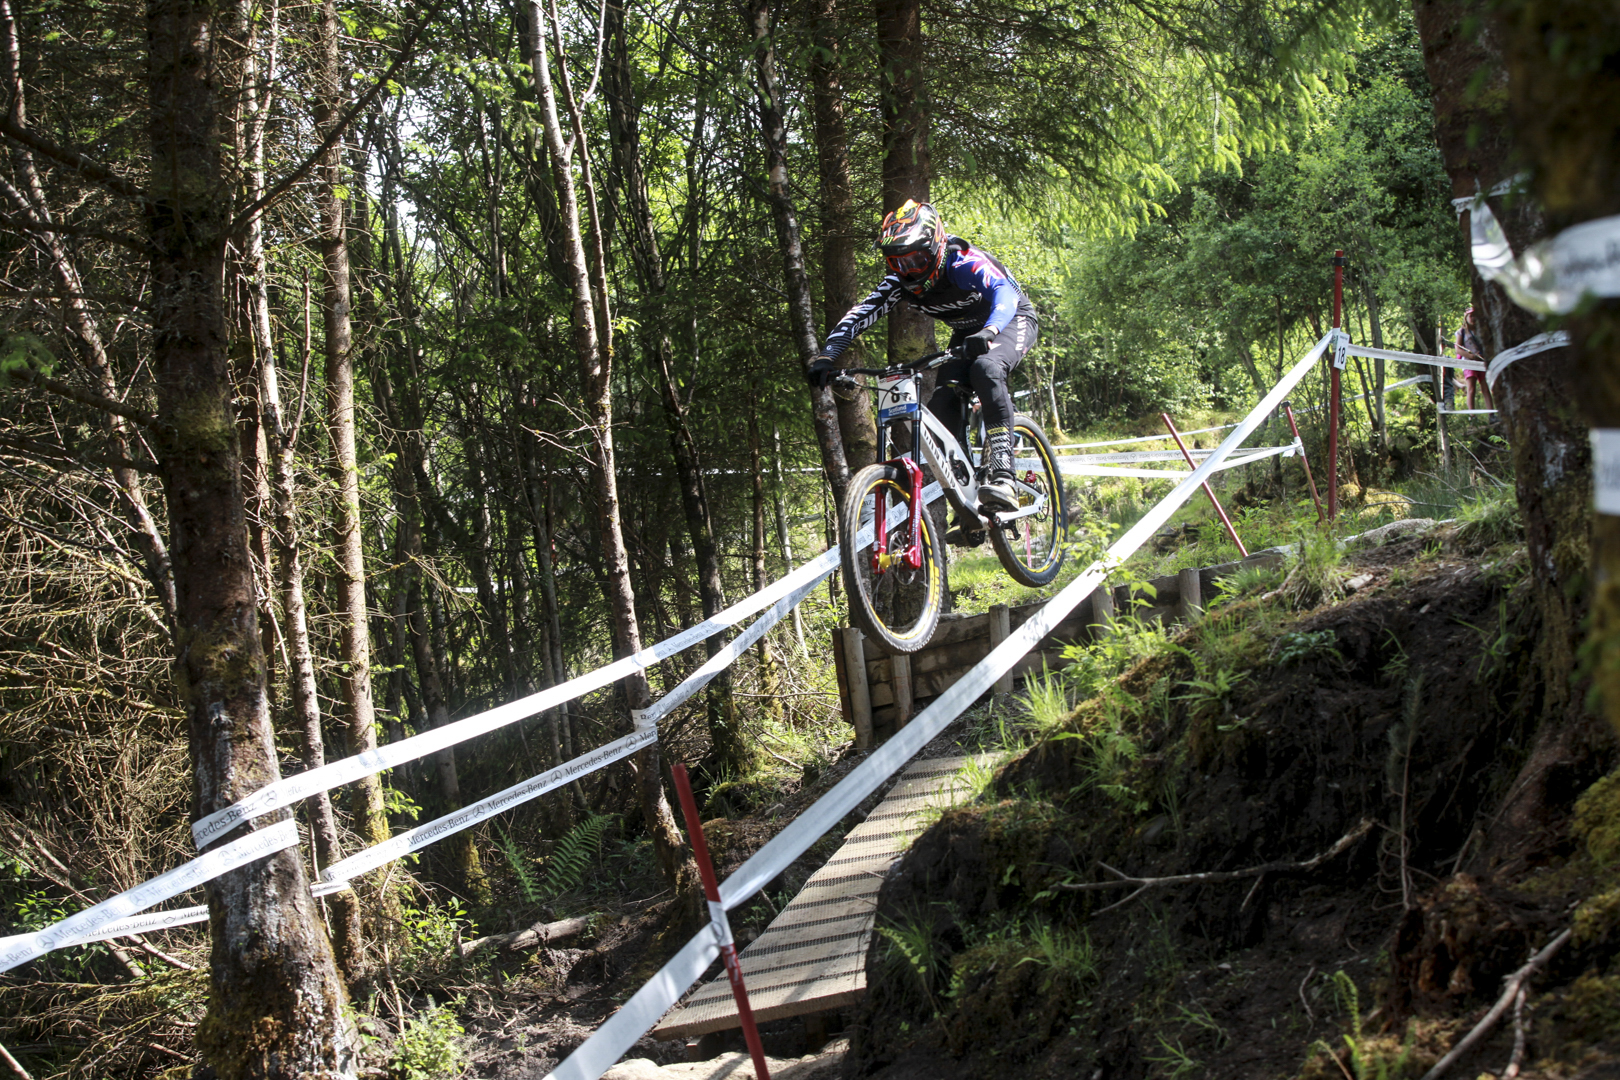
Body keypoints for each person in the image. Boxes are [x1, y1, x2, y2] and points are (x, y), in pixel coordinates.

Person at [805, 200, 1040, 545]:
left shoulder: (962, 262)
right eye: (897, 261)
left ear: (936, 247)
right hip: (968, 333)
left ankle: (1003, 472)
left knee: (987, 368)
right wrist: (827, 356)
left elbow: (1002, 293)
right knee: (942, 406)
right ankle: (972, 501)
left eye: (915, 259)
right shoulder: (899, 282)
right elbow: (859, 314)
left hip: (1010, 318)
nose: (908, 270)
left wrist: (989, 332)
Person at [1453, 305, 1493, 411]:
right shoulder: (1461, 332)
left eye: (1475, 316)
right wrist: (1471, 356)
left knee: (1485, 388)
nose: (1473, 318)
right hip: (1468, 363)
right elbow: (1458, 349)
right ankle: (1472, 416)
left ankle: (1491, 415)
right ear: (1466, 317)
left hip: (1482, 362)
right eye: (1471, 316)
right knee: (1471, 389)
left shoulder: (1481, 331)